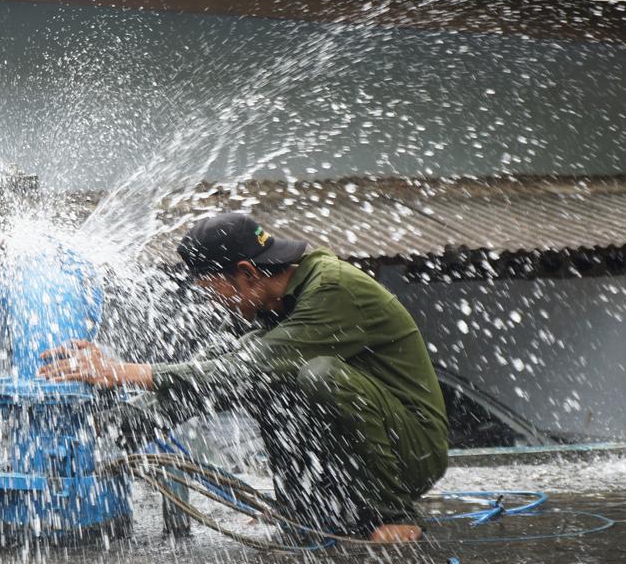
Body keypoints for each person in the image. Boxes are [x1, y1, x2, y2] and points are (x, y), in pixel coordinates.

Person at [39, 213, 449, 543]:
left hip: (412, 453)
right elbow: (220, 376)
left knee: (315, 375)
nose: (213, 301)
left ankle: (395, 513)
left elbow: (246, 369)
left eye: (213, 289)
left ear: (247, 273)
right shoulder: (277, 294)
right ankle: (301, 508)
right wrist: (109, 422)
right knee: (248, 367)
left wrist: (125, 373)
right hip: (363, 452)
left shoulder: (331, 289)